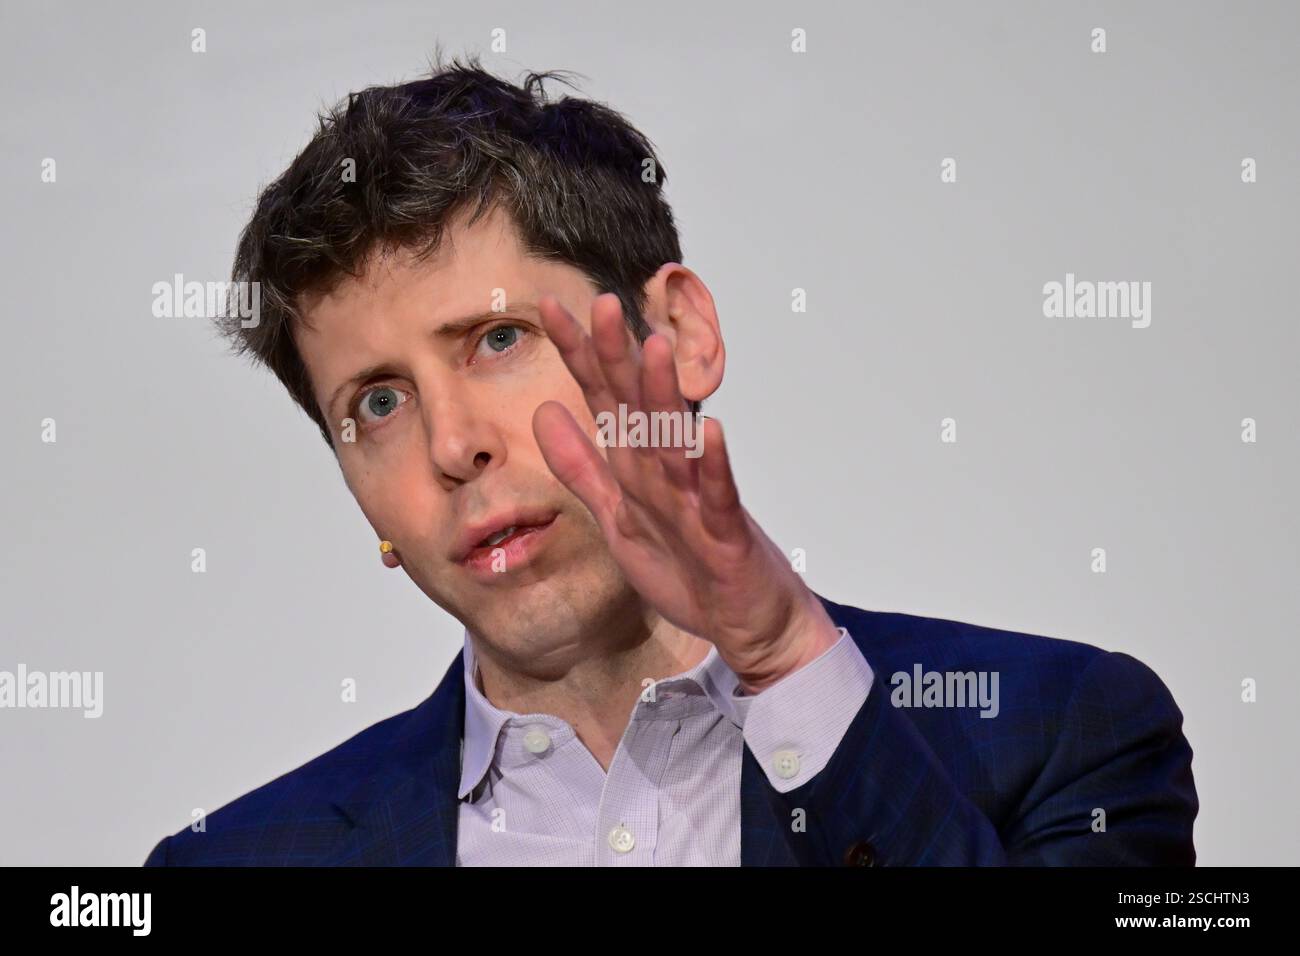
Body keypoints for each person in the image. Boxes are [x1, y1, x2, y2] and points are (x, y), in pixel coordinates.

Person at [144, 54, 1197, 866]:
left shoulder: (1062, 735)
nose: (452, 445)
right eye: (375, 402)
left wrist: (784, 658)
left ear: (681, 333)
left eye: (498, 339)